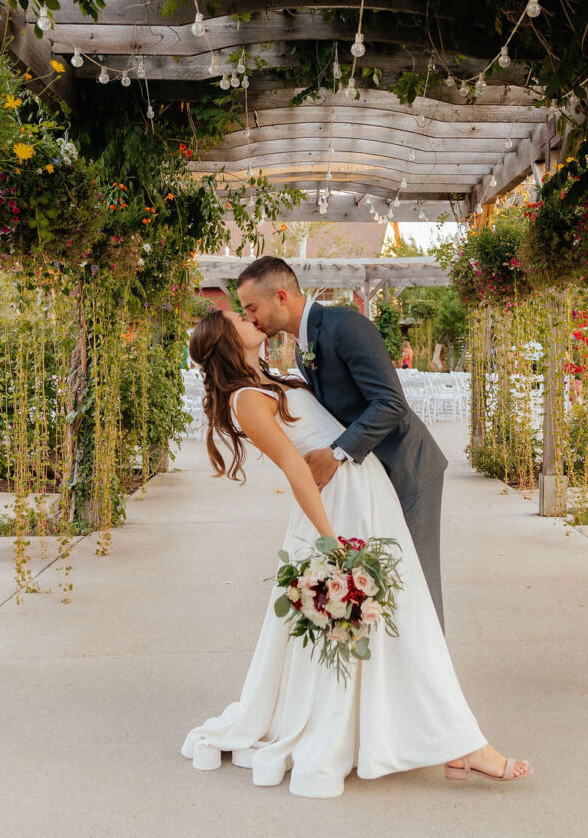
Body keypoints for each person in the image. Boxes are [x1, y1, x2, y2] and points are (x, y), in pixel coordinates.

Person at [180, 307, 531, 797]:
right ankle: (462, 745)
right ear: (225, 341)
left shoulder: (279, 379)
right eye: (240, 318)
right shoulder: (246, 400)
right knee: (398, 619)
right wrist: (330, 541)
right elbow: (296, 470)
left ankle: (451, 743)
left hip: (368, 493)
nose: (250, 318)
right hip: (340, 509)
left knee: (407, 616)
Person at [234, 256, 451, 626]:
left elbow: (392, 403)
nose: (251, 317)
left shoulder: (345, 325)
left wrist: (335, 454)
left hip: (407, 467)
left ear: (281, 296)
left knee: (416, 579)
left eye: (252, 308)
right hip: (370, 475)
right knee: (386, 584)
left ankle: (432, 675)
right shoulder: (305, 351)